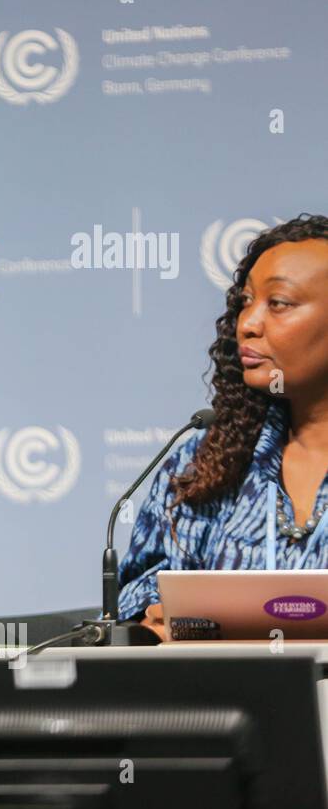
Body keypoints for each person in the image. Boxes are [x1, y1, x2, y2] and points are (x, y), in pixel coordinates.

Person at [119, 214, 328, 641]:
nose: (248, 323)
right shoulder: (205, 460)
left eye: (279, 303)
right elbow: (141, 589)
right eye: (246, 301)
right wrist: (152, 615)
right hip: (231, 702)